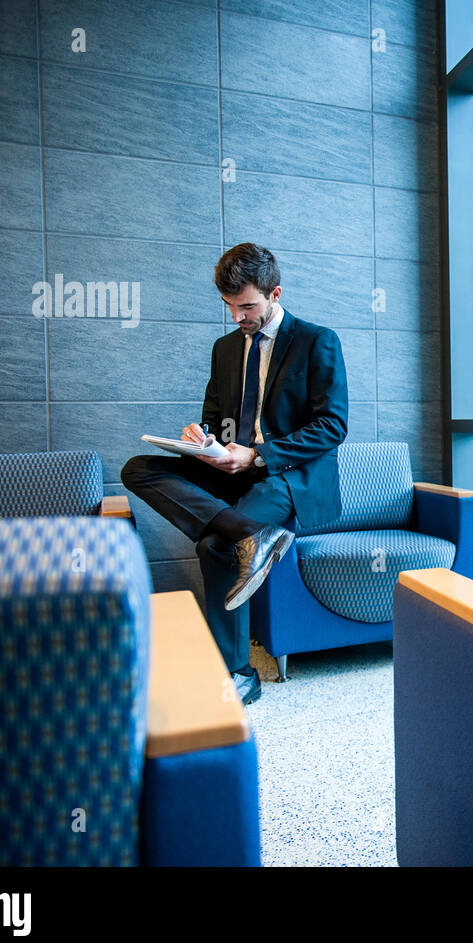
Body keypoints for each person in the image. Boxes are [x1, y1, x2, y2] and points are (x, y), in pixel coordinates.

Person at [121, 243, 348, 704]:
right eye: (229, 306)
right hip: (231, 467)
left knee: (216, 544)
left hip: (286, 476)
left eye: (247, 306)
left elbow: (333, 426)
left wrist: (257, 455)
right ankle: (252, 534)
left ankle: (238, 673)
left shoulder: (316, 341)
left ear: (275, 293)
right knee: (138, 468)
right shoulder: (226, 348)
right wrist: (203, 439)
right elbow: (218, 416)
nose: (236, 317)